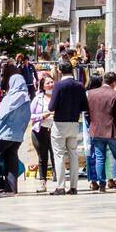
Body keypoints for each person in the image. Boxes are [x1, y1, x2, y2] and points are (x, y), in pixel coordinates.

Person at [48, 62, 88, 196]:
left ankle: (60, 187)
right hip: (74, 123)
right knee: (73, 153)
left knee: (59, 154)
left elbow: (51, 106)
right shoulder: (79, 85)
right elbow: (84, 107)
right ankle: (74, 186)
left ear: (60, 71)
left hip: (59, 123)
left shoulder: (58, 85)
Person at [0, 74, 30, 195]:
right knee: (11, 159)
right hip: (17, 136)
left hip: (4, 134)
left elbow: (1, 116)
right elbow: (27, 117)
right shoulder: (26, 98)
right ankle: (11, 188)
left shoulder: (10, 97)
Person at [86, 72, 116, 192]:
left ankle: (101, 184)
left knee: (100, 157)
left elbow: (87, 113)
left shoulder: (91, 93)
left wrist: (92, 122)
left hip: (96, 130)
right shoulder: (115, 94)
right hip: (111, 131)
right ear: (114, 82)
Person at [29, 75, 55, 193]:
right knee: (42, 157)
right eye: (48, 83)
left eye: (52, 82)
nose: (50, 85)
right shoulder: (38, 98)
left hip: (55, 130)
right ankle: (43, 182)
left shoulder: (57, 96)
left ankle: (59, 182)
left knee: (57, 156)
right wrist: (42, 116)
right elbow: (30, 115)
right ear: (43, 86)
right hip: (40, 130)